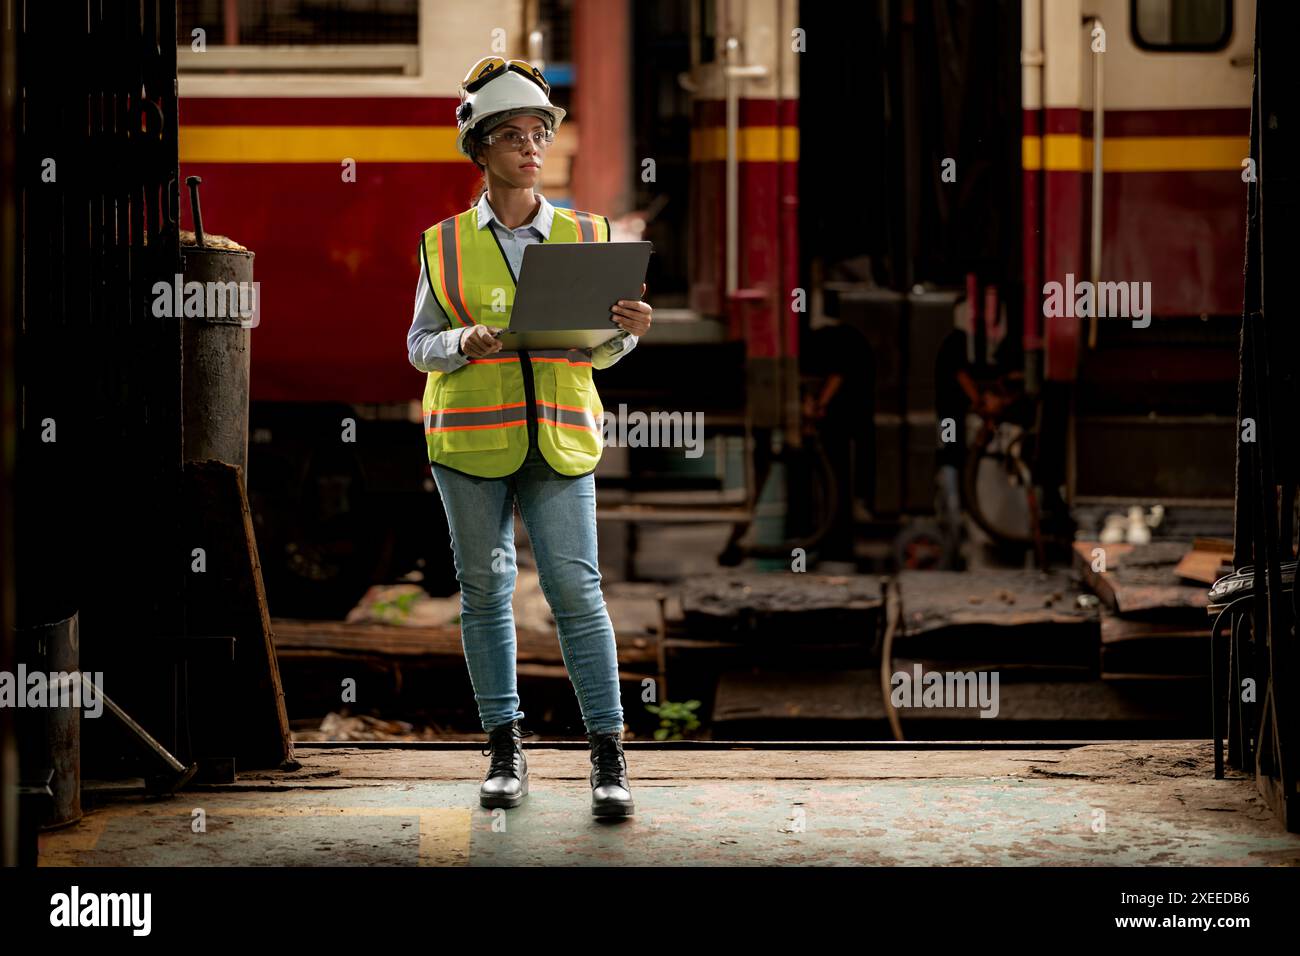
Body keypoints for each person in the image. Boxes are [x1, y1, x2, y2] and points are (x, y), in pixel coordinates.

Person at [406, 56, 652, 818]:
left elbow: (597, 354)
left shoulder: (587, 234)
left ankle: (608, 757)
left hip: (560, 440)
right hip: (470, 445)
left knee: (577, 592)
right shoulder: (444, 245)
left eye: (539, 133)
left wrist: (627, 332)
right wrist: (462, 342)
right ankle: (504, 752)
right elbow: (419, 347)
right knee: (485, 594)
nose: (531, 146)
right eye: (512, 134)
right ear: (479, 148)